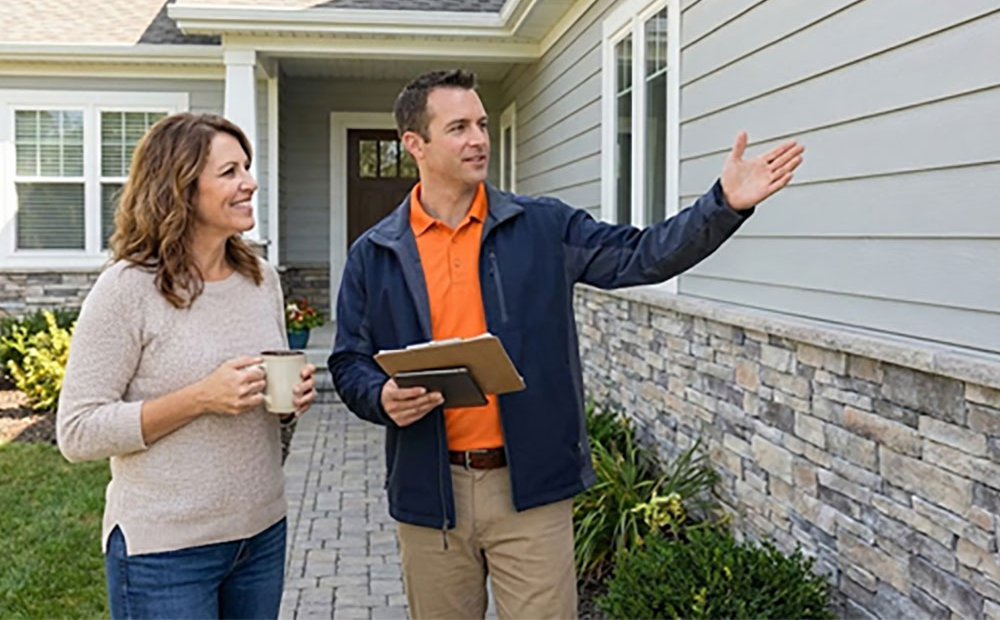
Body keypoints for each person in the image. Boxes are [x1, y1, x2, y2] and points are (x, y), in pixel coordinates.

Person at [329, 69, 804, 619]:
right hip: (429, 492)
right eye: (458, 127)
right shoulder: (375, 252)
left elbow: (642, 255)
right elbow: (349, 362)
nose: (479, 138)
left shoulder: (543, 226)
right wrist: (381, 396)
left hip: (531, 489)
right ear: (416, 144)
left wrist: (723, 204)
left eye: (481, 124)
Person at [56, 112, 317, 620]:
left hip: (261, 536)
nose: (251, 182)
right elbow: (77, 431)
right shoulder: (128, 289)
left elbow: (268, 411)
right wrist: (201, 398)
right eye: (230, 172)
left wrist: (289, 405)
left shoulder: (260, 278)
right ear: (179, 188)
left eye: (247, 167)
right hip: (166, 553)